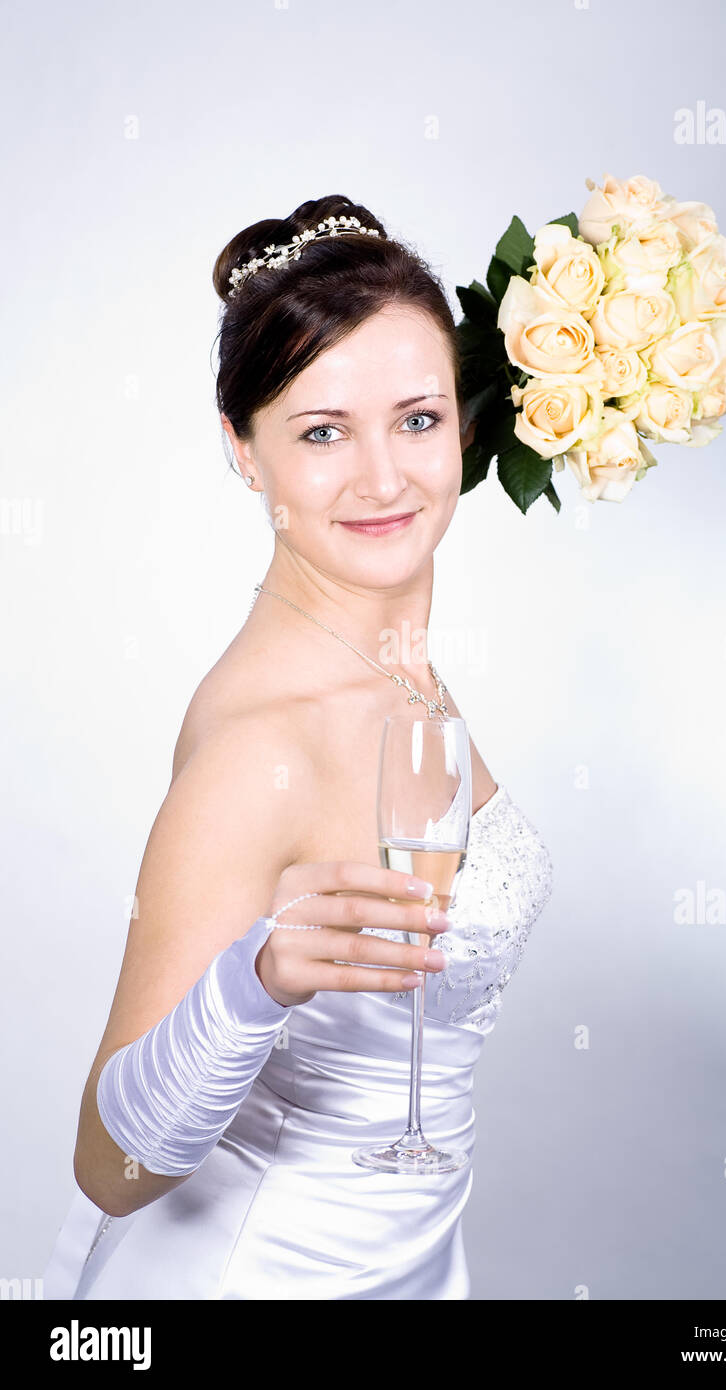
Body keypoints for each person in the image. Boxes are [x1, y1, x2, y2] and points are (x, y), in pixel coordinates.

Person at [42, 194, 554, 1300]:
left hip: (411, 1257)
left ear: (467, 426)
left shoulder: (395, 664)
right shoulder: (260, 744)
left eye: (416, 419)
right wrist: (253, 986)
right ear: (244, 450)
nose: (384, 477)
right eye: (322, 432)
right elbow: (106, 1167)